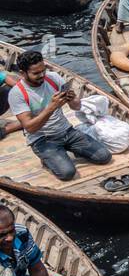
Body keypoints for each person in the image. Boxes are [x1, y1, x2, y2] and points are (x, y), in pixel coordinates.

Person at [6, 49, 112, 182]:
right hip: (43, 139)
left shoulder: (53, 78)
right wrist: (51, 107)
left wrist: (73, 99)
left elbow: (76, 107)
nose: (42, 75)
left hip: (67, 131)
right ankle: (48, 158)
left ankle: (69, 150)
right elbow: (30, 128)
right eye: (36, 73)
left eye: (43, 70)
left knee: (104, 156)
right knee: (67, 173)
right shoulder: (17, 94)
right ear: (22, 73)